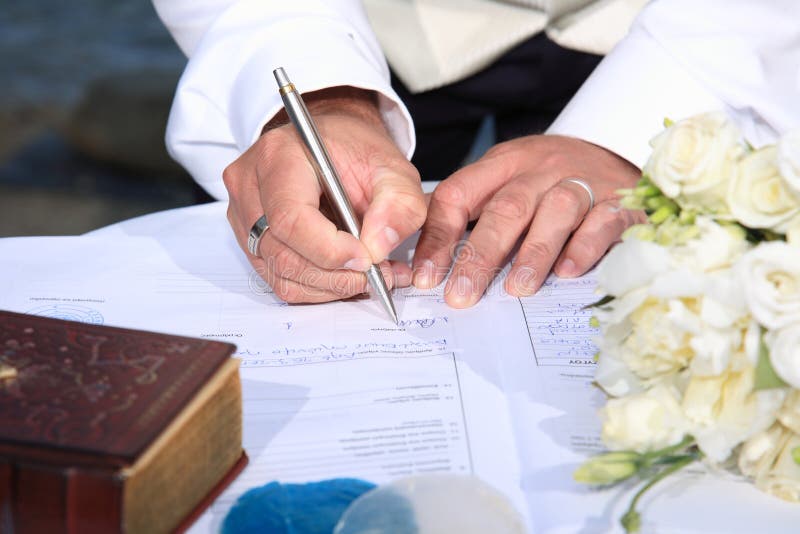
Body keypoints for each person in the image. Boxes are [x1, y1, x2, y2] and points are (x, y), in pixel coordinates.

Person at [153, 0, 799, 308]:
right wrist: (324, 94)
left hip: (693, 33)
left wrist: (629, 132)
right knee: (295, 219)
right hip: (364, 28)